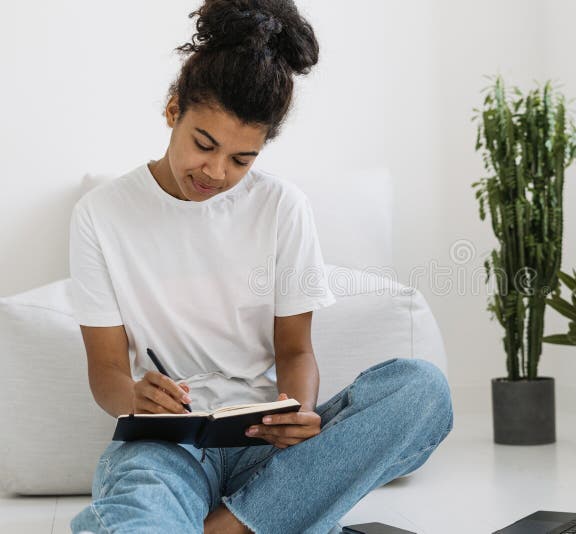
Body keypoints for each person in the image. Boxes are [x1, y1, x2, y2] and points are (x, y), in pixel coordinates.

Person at [68, 1, 453, 533]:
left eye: (242, 159)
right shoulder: (101, 215)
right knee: (143, 501)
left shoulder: (282, 208)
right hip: (167, 444)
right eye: (204, 144)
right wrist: (134, 396)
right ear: (172, 110)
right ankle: (276, 520)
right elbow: (106, 371)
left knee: (420, 389)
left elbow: (295, 349)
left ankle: (228, 527)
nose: (216, 172)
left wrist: (298, 410)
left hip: (265, 445)